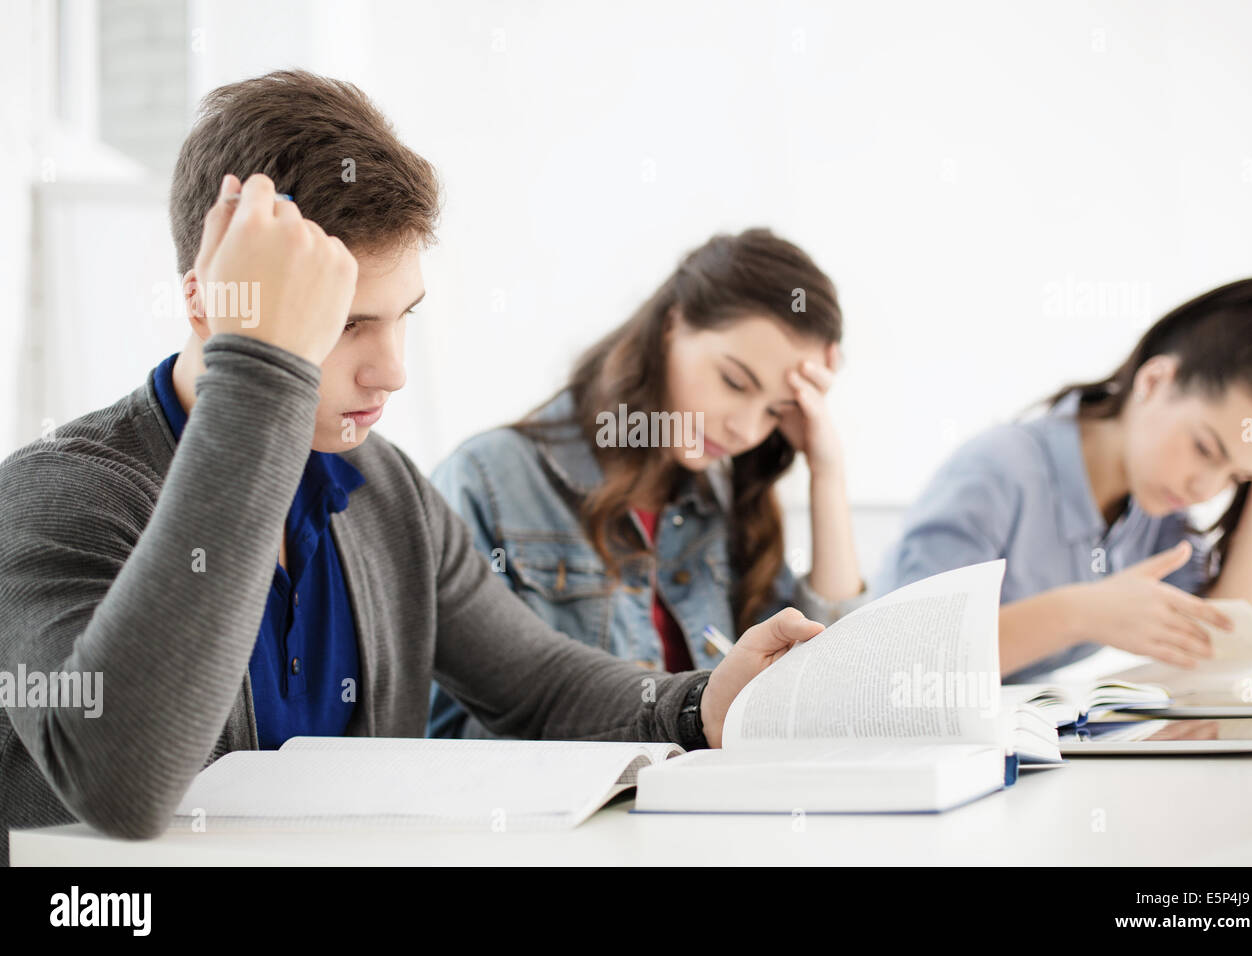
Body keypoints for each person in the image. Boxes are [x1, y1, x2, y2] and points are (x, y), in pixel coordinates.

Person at [0, 71, 826, 866]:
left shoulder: (384, 490)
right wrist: (257, 367)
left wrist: (696, 702)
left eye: (403, 319)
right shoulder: (57, 495)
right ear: (207, 300)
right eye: (347, 322)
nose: (391, 370)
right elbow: (121, 782)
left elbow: (535, 684)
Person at [426, 229, 868, 738]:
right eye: (735, 382)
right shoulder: (488, 477)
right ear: (671, 324)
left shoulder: (719, 497)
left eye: (776, 410)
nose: (746, 429)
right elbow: (451, 733)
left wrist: (826, 472)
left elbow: (823, 680)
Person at [873, 277, 1252, 682]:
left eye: (1238, 476)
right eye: (1205, 449)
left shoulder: (1156, 514)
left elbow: (1222, 646)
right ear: (1153, 381)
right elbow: (908, 656)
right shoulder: (1000, 469)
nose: (1205, 489)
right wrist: (1080, 613)